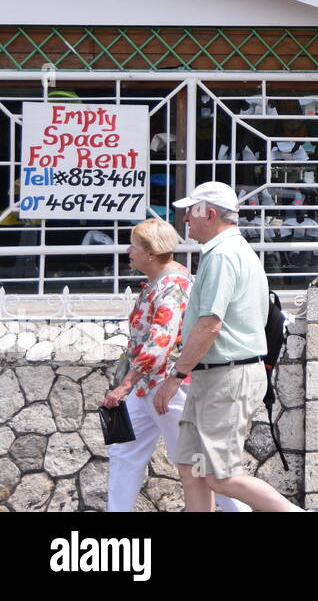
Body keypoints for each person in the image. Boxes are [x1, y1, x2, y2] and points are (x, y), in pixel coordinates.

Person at [152, 181, 302, 512]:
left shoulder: (222, 256)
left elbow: (210, 326)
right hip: (220, 375)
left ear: (210, 213)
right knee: (192, 468)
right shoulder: (232, 252)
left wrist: (176, 375)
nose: (186, 219)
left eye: (191, 211)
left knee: (220, 477)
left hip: (225, 376)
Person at [100, 218, 249, 513]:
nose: (128, 250)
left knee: (200, 462)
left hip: (170, 388)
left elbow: (160, 341)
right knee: (124, 451)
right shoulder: (161, 281)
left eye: (134, 245)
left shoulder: (173, 284)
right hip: (149, 386)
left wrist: (125, 385)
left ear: (151, 253)